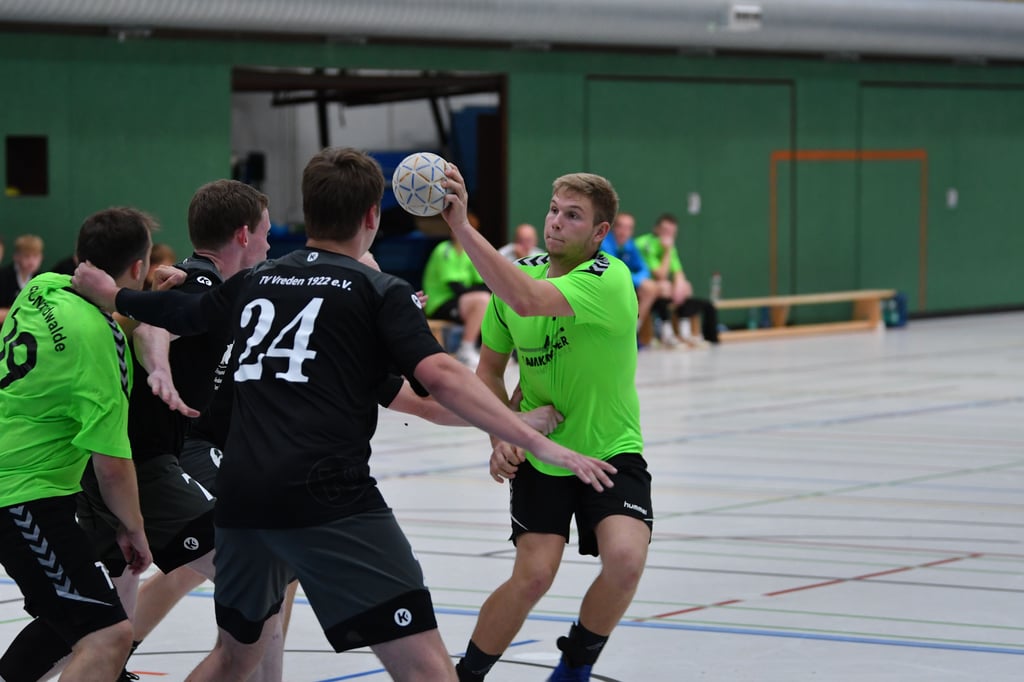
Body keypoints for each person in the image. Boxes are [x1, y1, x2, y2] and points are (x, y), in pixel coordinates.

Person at [71, 146, 615, 682]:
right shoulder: (376, 290)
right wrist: (535, 439)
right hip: (328, 499)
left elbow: (180, 312)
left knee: (237, 655)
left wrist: (116, 292)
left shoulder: (257, 282)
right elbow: (443, 378)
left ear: (307, 213)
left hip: (241, 499)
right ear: (372, 216)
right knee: (428, 670)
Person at [437, 168, 652, 682]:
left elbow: (529, 301)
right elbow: (488, 371)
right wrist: (503, 434)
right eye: (554, 209)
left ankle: (575, 665)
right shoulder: (519, 273)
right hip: (541, 453)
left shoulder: (609, 278)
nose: (556, 222)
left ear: (599, 233)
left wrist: (461, 227)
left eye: (573, 215)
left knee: (624, 559)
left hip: (610, 448)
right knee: (533, 577)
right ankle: (467, 675)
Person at [0, 208, 154, 682]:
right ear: (136, 268)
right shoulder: (102, 348)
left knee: (67, 618)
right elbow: (111, 465)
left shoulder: (42, 286)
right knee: (108, 635)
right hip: (23, 494)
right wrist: (134, 527)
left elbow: (76, 337)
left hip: (21, 483)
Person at [634, 213, 719, 346]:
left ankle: (684, 334)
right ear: (656, 229)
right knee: (664, 286)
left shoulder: (669, 246)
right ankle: (664, 335)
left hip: (661, 288)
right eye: (665, 231)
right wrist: (667, 251)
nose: (668, 235)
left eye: (672, 232)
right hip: (641, 286)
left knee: (686, 287)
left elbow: (679, 272)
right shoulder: (646, 244)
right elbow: (660, 275)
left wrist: (680, 287)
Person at [421, 213, 491, 368]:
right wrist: (474, 291)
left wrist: (475, 290)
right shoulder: (443, 250)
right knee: (482, 300)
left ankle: (486, 350)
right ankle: (466, 348)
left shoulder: (469, 253)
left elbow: (482, 283)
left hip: (459, 301)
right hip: (439, 303)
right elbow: (455, 287)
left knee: (489, 300)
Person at [600, 212, 659, 346]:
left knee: (653, 288)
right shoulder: (605, 244)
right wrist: (638, 281)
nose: (624, 231)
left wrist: (638, 280)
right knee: (649, 288)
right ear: (613, 228)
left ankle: (632, 332)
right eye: (621, 227)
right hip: (607, 285)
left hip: (626, 285)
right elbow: (614, 272)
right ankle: (625, 334)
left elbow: (644, 269)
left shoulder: (630, 246)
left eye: (628, 228)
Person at [0, 233, 44, 324]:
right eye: (27, 256)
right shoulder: (4, 277)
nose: (31, 262)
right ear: (16, 256)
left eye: (35, 256)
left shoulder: (42, 279)